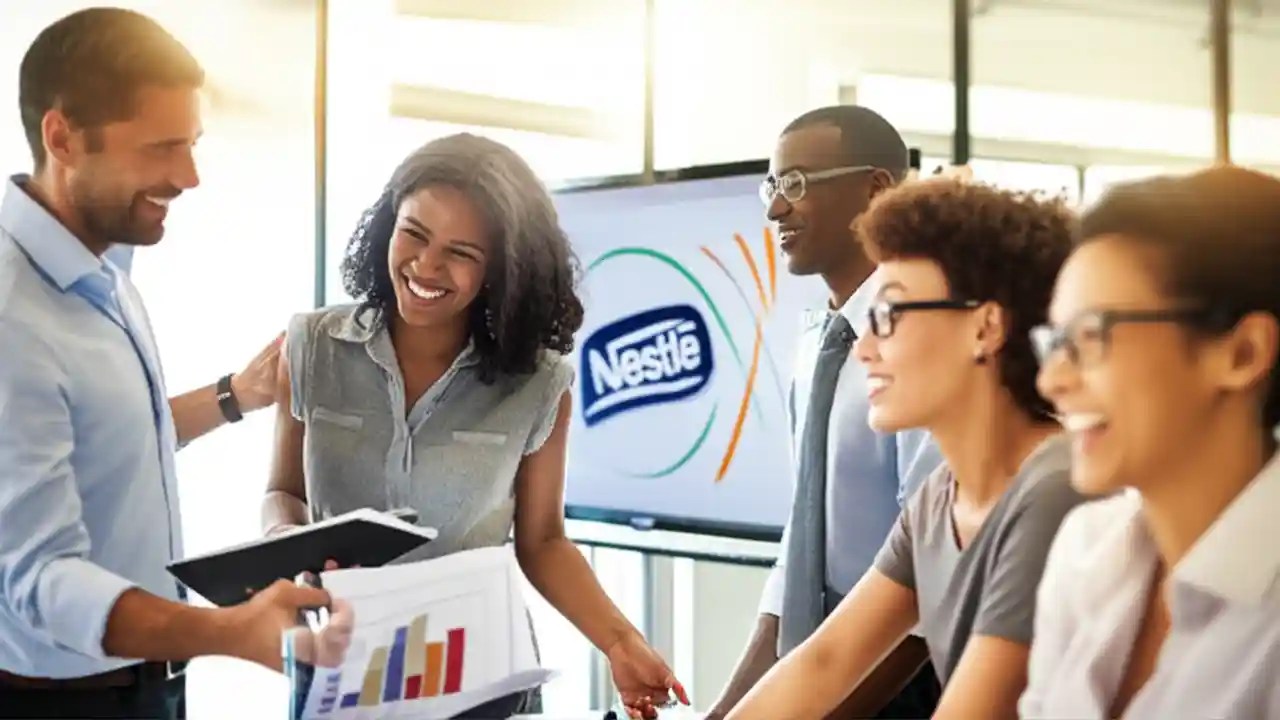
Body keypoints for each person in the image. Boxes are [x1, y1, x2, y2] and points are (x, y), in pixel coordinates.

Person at [261, 132, 689, 719]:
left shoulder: (539, 382)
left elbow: (543, 543)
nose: (426, 266)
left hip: (479, 675)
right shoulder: (311, 345)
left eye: (461, 252)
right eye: (413, 233)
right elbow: (283, 493)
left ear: (501, 270)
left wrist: (620, 641)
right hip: (341, 666)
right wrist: (285, 542)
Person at [0, 9, 349, 719]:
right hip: (60, 704)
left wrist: (235, 395)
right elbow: (36, 577)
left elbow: (102, 436)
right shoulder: (13, 315)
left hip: (143, 687)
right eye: (162, 148)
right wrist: (229, 631)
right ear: (62, 137)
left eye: (191, 144)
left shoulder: (99, 266)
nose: (189, 176)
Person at [727, 177, 1085, 719]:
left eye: (889, 316)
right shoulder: (939, 499)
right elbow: (823, 664)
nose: (865, 349)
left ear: (986, 327)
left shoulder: (1053, 489)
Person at [706, 106, 943, 720]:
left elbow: (927, 582)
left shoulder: (928, 341)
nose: (775, 209)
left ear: (877, 190)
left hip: (909, 676)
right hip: (824, 664)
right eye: (773, 186)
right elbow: (800, 547)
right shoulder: (816, 344)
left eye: (797, 184)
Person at [1023, 166, 1280, 718]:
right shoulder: (1085, 550)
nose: (1052, 381)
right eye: (1056, 342)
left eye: (1091, 336)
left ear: (1242, 354)